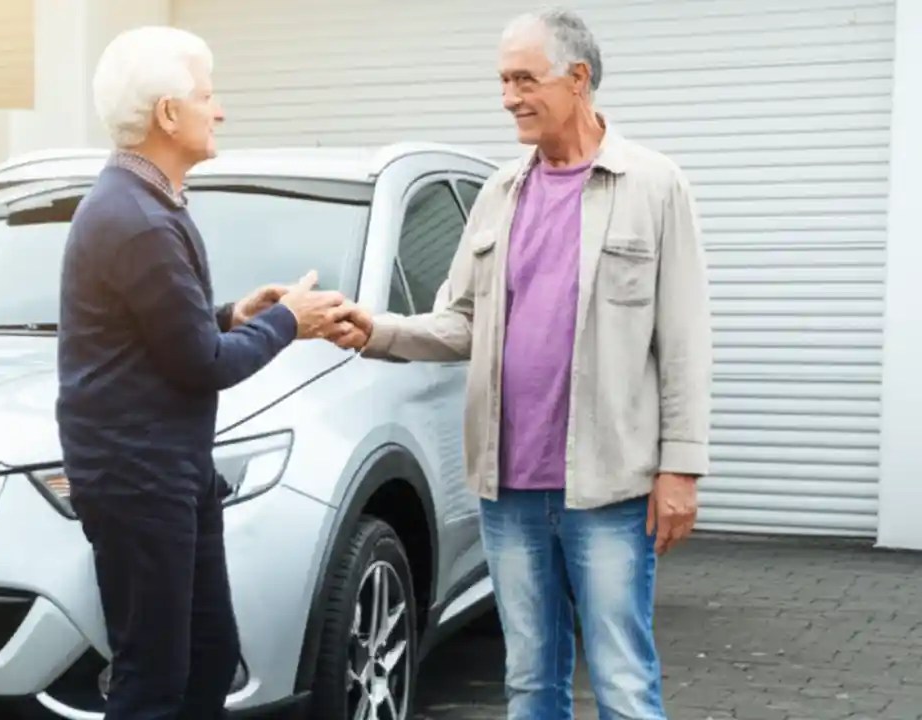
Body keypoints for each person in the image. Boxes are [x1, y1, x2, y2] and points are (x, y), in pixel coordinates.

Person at [334, 8, 711, 719]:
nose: (508, 96)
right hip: (508, 488)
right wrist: (372, 330)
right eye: (503, 80)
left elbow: (686, 338)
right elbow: (461, 322)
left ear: (578, 79)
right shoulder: (501, 196)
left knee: (624, 679)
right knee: (529, 680)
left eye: (523, 79)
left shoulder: (654, 186)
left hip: (610, 487)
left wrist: (680, 468)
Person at [55, 26, 349, 720]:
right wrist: (290, 321)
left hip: (171, 474)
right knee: (152, 683)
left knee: (209, 657)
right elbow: (202, 365)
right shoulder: (136, 218)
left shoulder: (143, 204)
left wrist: (232, 312)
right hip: (140, 481)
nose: (219, 111)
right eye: (207, 96)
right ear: (167, 114)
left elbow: (166, 334)